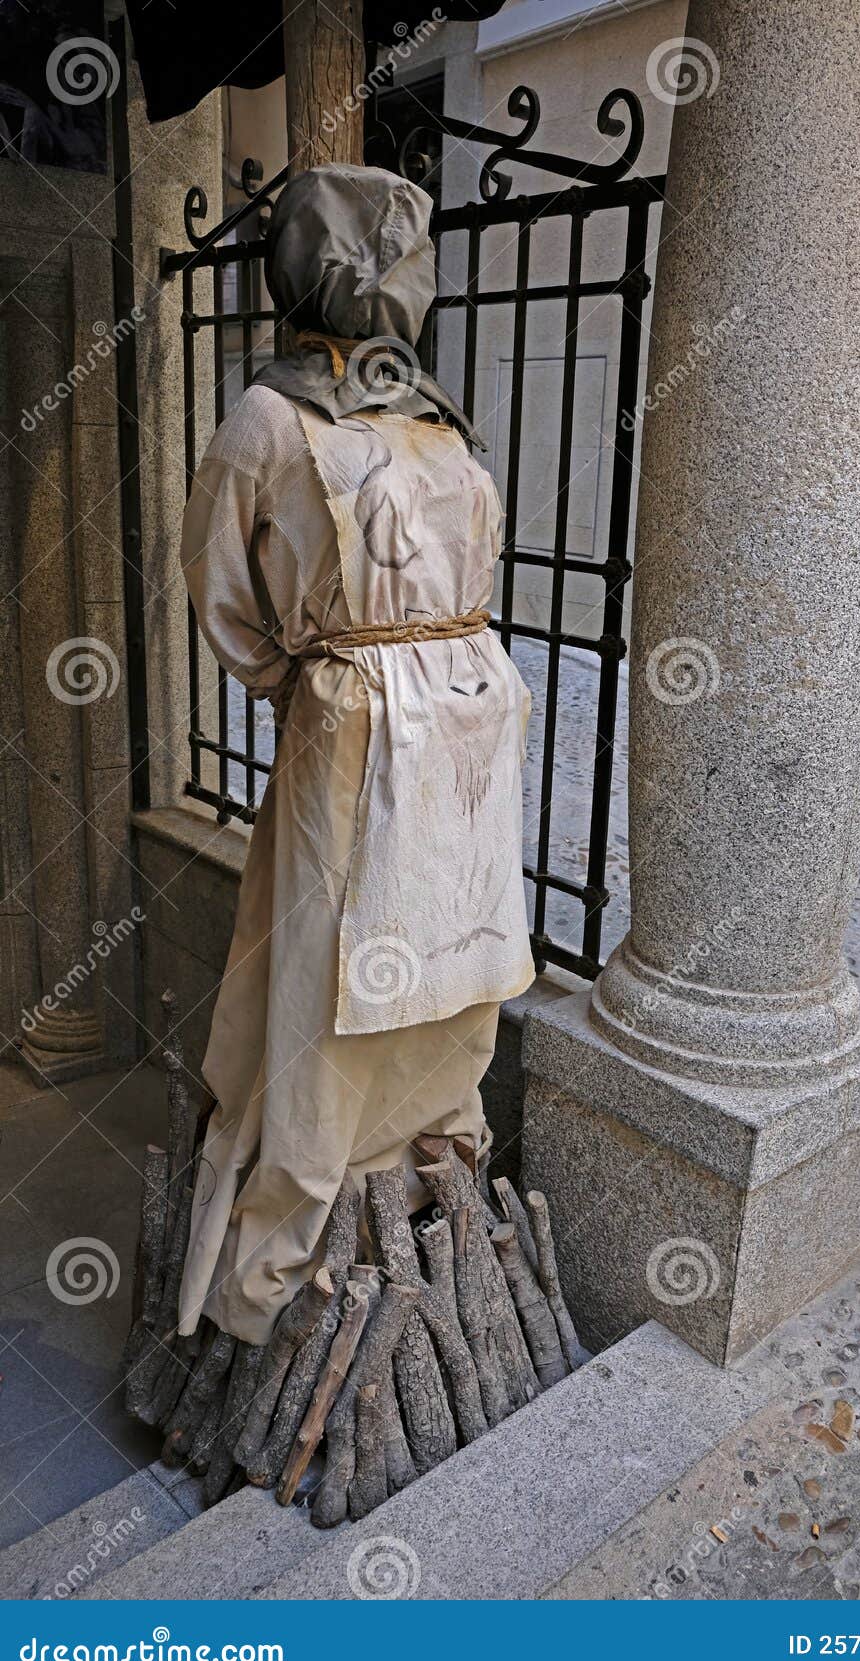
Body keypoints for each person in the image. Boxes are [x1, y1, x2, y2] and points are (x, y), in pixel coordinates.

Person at [177, 164, 534, 1346]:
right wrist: (325, 686)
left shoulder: (438, 416)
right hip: (358, 729)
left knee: (458, 961)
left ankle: (433, 1145)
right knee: (337, 981)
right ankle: (290, 1233)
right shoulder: (266, 420)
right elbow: (223, 594)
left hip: (470, 733)